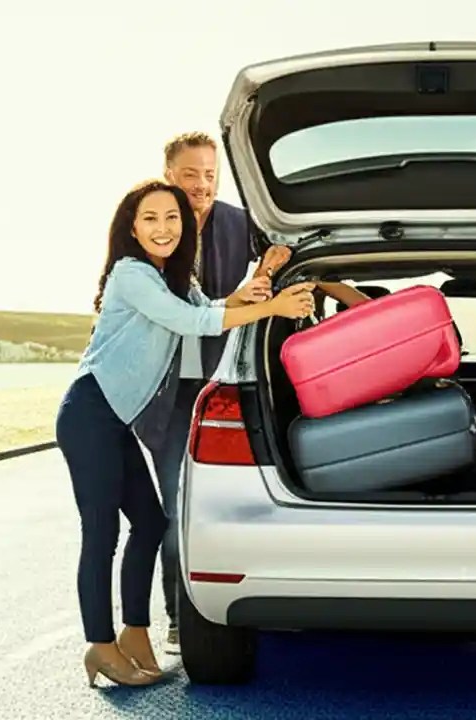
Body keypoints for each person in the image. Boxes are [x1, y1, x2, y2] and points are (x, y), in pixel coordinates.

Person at [56, 179, 315, 688]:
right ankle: (99, 645)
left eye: (172, 217)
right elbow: (192, 321)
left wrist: (262, 280)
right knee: (101, 534)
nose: (164, 228)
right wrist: (272, 309)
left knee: (152, 523)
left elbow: (215, 306)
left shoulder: (173, 276)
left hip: (113, 421)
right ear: (132, 228)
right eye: (150, 218)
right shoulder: (131, 273)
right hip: (88, 415)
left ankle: (134, 633)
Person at [149, 132, 368, 654]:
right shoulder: (153, 230)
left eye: (209, 174)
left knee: (213, 505)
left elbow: (299, 260)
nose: (201, 185)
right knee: (175, 507)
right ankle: (180, 616)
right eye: (189, 174)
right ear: (168, 175)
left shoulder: (235, 222)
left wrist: (360, 303)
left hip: (221, 374)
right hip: (167, 390)